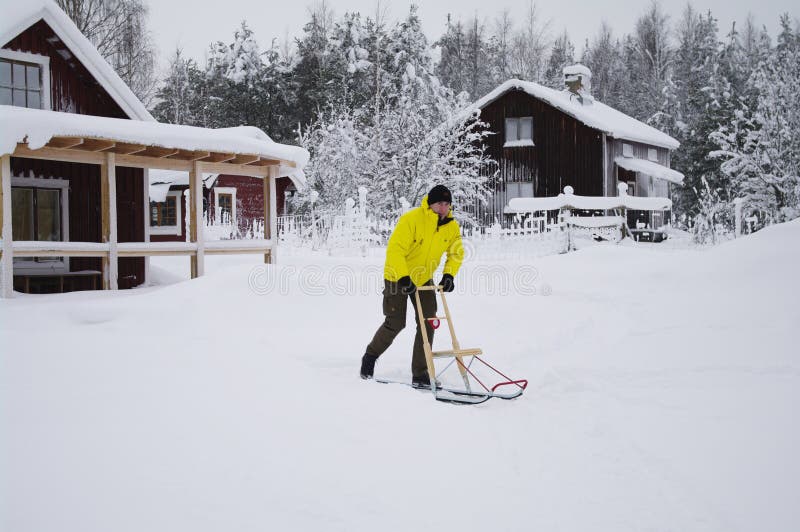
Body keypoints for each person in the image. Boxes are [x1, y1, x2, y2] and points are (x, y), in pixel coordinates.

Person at [360, 185, 464, 388]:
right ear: (430, 203)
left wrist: (449, 274)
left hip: (423, 277)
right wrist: (403, 277)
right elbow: (396, 250)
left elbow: (456, 252)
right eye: (439, 203)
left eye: (446, 204)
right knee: (396, 322)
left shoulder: (451, 226)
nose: (443, 208)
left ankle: (421, 373)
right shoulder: (412, 219)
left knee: (428, 322)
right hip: (397, 276)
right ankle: (370, 356)